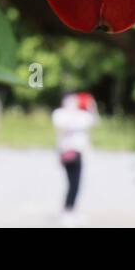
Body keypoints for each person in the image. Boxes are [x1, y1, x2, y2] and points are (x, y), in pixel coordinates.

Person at [52, 92, 98, 224]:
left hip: (79, 152)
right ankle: (67, 210)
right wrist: (71, 111)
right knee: (72, 183)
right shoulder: (59, 114)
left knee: (77, 183)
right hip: (66, 151)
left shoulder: (82, 115)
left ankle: (72, 209)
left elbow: (93, 122)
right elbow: (65, 126)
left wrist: (91, 108)